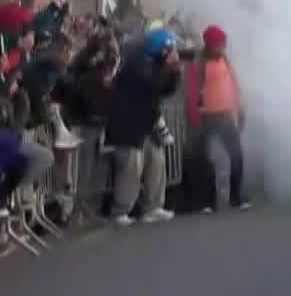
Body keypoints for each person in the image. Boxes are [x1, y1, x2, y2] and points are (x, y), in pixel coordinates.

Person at [106, 29, 179, 224]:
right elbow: (151, 85)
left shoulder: (154, 63)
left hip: (148, 123)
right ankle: (121, 210)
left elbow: (166, 90)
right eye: (170, 48)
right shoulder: (138, 63)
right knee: (131, 167)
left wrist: (174, 70)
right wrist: (168, 68)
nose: (173, 52)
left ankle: (153, 206)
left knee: (157, 161)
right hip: (128, 123)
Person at [183, 24, 249, 211]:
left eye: (223, 44)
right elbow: (192, 91)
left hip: (226, 115)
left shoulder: (225, 60)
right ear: (210, 45)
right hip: (206, 117)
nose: (222, 48)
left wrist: (240, 108)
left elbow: (233, 85)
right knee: (204, 160)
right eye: (219, 45)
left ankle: (236, 196)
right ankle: (206, 201)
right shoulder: (199, 64)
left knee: (237, 155)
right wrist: (194, 114)